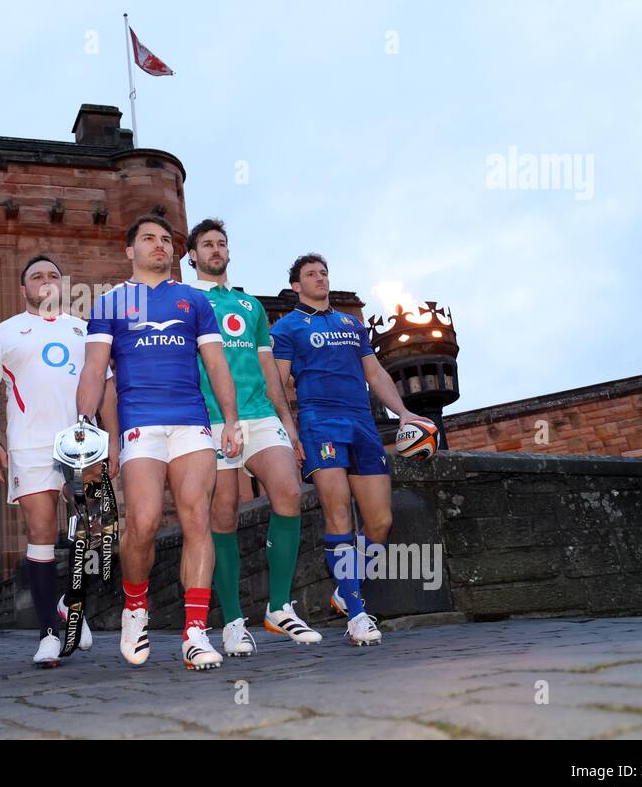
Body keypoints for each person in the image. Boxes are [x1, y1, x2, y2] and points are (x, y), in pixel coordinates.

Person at [76, 214, 241, 671]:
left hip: (191, 421)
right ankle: (135, 607)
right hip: (139, 424)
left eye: (166, 240)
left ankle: (194, 631)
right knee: (143, 523)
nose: (159, 246)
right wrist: (85, 426)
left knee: (196, 520)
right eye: (148, 239)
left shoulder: (192, 300)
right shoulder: (110, 303)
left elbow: (216, 364)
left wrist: (230, 420)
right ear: (130, 251)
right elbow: (94, 370)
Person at [271, 253, 425, 646]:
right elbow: (279, 383)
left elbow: (374, 373)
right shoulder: (287, 327)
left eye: (323, 273)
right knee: (337, 510)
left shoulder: (351, 324)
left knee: (380, 522)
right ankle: (357, 615)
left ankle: (345, 587)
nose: (320, 278)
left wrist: (405, 413)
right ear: (296, 286)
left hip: (362, 423)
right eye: (311, 274)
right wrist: (290, 432)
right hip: (319, 423)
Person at [186, 219, 321, 655]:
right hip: (211, 419)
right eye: (207, 244)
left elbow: (269, 370)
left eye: (221, 243)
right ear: (192, 256)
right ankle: (230, 622)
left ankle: (278, 606)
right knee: (223, 514)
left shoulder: (250, 306)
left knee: (288, 492)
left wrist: (289, 423)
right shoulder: (186, 302)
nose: (216, 249)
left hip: (261, 415)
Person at [0, 254, 119, 667]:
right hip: (29, 445)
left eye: (52, 276)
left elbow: (108, 388)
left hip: (83, 443)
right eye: (36, 276)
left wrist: (113, 440)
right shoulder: (5, 333)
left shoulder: (85, 329)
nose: (45, 281)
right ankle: (48, 632)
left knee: (102, 531)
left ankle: (68, 601)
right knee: (41, 530)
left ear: (63, 284)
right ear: (23, 287)